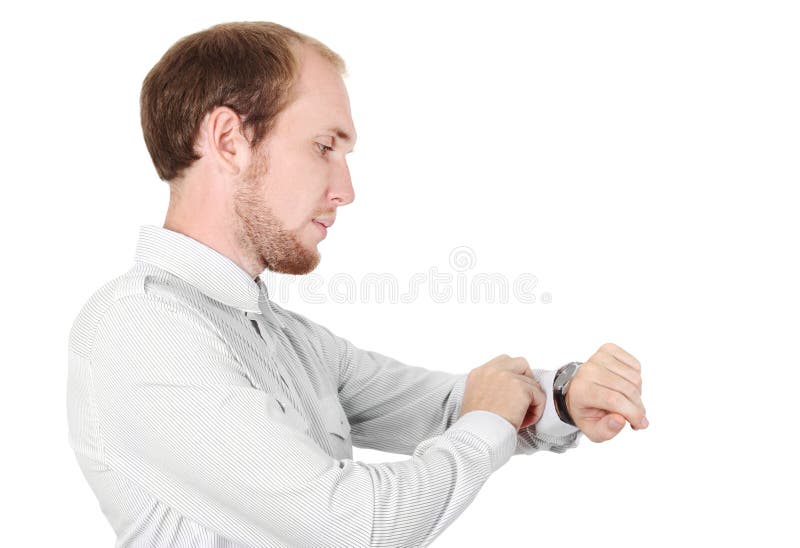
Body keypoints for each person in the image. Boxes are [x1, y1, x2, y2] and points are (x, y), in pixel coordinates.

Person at [67, 21, 648, 547]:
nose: (345, 191)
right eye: (324, 147)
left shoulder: (285, 338)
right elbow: (353, 527)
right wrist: (489, 424)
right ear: (227, 140)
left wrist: (565, 398)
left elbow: (445, 406)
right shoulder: (139, 330)